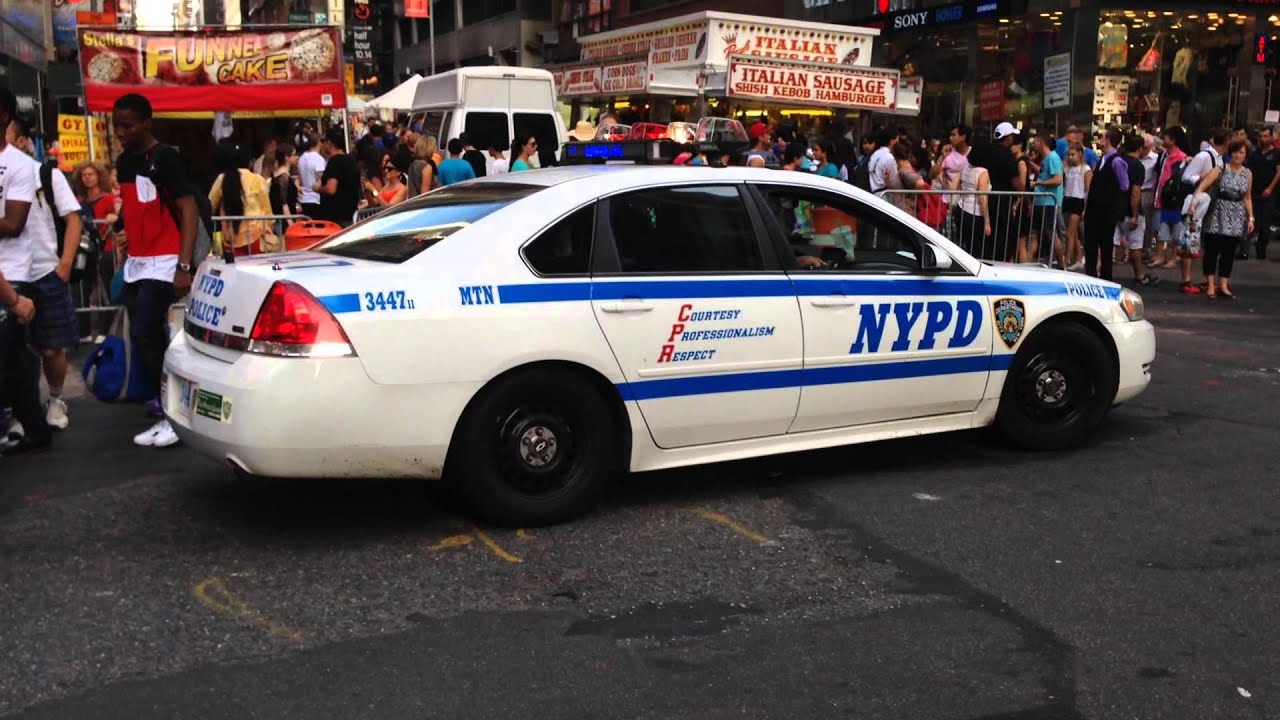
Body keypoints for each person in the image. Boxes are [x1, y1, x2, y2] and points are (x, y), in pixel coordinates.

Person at [111, 92, 200, 447]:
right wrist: (124, 230)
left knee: (146, 331)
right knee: (147, 337)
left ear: (147, 123)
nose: (121, 132)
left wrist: (183, 265)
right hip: (137, 263)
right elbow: (134, 205)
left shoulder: (166, 159)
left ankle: (172, 414)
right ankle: (168, 408)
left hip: (165, 262)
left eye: (128, 125)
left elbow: (188, 210)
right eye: (117, 125)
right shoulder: (124, 162)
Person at [7, 117, 84, 431]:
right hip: (9, 276)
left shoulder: (46, 174)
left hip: (45, 271)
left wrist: (64, 264)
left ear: (22, 141)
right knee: (12, 352)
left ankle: (54, 398)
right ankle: (20, 413)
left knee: (52, 348)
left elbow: (73, 218)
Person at [0, 88, 53, 454]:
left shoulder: (19, 165)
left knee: (10, 358)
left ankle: (32, 425)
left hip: (11, 274)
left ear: (5, 116)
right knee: (14, 359)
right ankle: (34, 426)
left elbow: (14, 223)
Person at [1191, 139, 1252, 299]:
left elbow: (1247, 197)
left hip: (1237, 216)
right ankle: (1211, 285)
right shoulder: (1220, 169)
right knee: (1212, 250)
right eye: (1235, 152)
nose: (1237, 155)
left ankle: (1224, 285)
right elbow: (1203, 185)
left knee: (1229, 252)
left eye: (1241, 152)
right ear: (1230, 153)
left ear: (1245, 155)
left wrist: (1251, 217)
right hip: (1217, 214)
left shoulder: (1248, 173)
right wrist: (1193, 201)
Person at [73, 160, 121, 338]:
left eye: (90, 174)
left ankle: (106, 330)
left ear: (99, 176)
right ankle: (84, 331)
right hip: (85, 250)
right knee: (83, 291)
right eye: (84, 175)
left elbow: (120, 213)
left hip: (106, 249)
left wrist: (115, 215)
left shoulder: (109, 198)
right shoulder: (78, 202)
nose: (87, 178)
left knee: (106, 291)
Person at [209, 140, 277, 255]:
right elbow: (267, 210)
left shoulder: (222, 179)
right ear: (249, 162)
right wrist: (271, 227)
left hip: (230, 238)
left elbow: (210, 205)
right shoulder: (257, 179)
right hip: (256, 236)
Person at [1082, 128, 1131, 280]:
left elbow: (1124, 186)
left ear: (1108, 139)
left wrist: (1117, 209)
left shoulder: (1116, 161)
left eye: (1102, 137)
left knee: (1106, 246)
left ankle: (1106, 277)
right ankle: (1090, 275)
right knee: (1090, 244)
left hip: (1107, 210)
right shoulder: (1102, 159)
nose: (1099, 140)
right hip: (1094, 210)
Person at [1117, 134, 1160, 286]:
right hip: (1129, 210)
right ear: (1140, 148)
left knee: (1111, 242)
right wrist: (1135, 214)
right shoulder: (1137, 166)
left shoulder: (1117, 161)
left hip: (1115, 209)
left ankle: (1102, 272)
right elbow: (1135, 193)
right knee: (1136, 245)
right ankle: (1139, 275)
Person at [1027, 135, 1063, 265]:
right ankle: (1027, 262)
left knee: (1051, 233)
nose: (1033, 144)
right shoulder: (1046, 159)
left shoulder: (1053, 157)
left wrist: (1037, 183)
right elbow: (1043, 172)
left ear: (1042, 142)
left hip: (1049, 202)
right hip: (1040, 201)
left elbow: (1058, 179)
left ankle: (1061, 264)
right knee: (1034, 233)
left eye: (1035, 141)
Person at [1244, 124, 1279, 260]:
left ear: (1271, 137)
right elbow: (1249, 171)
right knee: (1251, 221)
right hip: (1254, 192)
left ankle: (1261, 250)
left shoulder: (1276, 154)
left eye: (1266, 136)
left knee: (1265, 225)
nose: (1263, 139)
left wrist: (1270, 188)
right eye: (1261, 136)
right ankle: (1244, 250)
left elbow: (1279, 172)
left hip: (1269, 194)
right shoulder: (1254, 154)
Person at [951, 146, 992, 257]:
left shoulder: (965, 168)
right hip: (975, 212)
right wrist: (987, 221)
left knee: (964, 244)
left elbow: (953, 186)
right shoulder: (983, 172)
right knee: (976, 248)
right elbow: (982, 198)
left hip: (961, 208)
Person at [317, 126, 360, 228]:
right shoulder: (351, 160)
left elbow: (331, 189)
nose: (322, 145)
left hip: (335, 217)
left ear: (329, 143)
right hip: (351, 213)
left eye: (323, 141)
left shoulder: (335, 162)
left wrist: (318, 188)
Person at [1061, 144, 1091, 272]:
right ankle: (1078, 258)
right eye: (1069, 154)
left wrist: (1086, 207)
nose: (1070, 157)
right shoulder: (1067, 168)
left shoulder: (1085, 169)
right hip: (1068, 199)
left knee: (1070, 232)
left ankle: (1066, 260)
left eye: (1073, 154)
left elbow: (1088, 189)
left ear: (1080, 154)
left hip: (1078, 200)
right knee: (1073, 234)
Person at [267, 141, 299, 230]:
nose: (297, 157)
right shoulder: (283, 177)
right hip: (284, 223)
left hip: (281, 220)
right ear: (286, 158)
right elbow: (284, 203)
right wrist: (291, 225)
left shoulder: (278, 175)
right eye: (294, 155)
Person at [297, 133, 325, 221]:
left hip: (304, 199)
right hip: (316, 198)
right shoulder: (318, 158)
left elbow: (300, 179)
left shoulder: (301, 158)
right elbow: (322, 178)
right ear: (319, 142)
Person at [866, 128, 897, 196]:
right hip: (884, 195)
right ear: (891, 141)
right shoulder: (889, 157)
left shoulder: (874, 154)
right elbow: (894, 180)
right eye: (896, 140)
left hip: (874, 193)